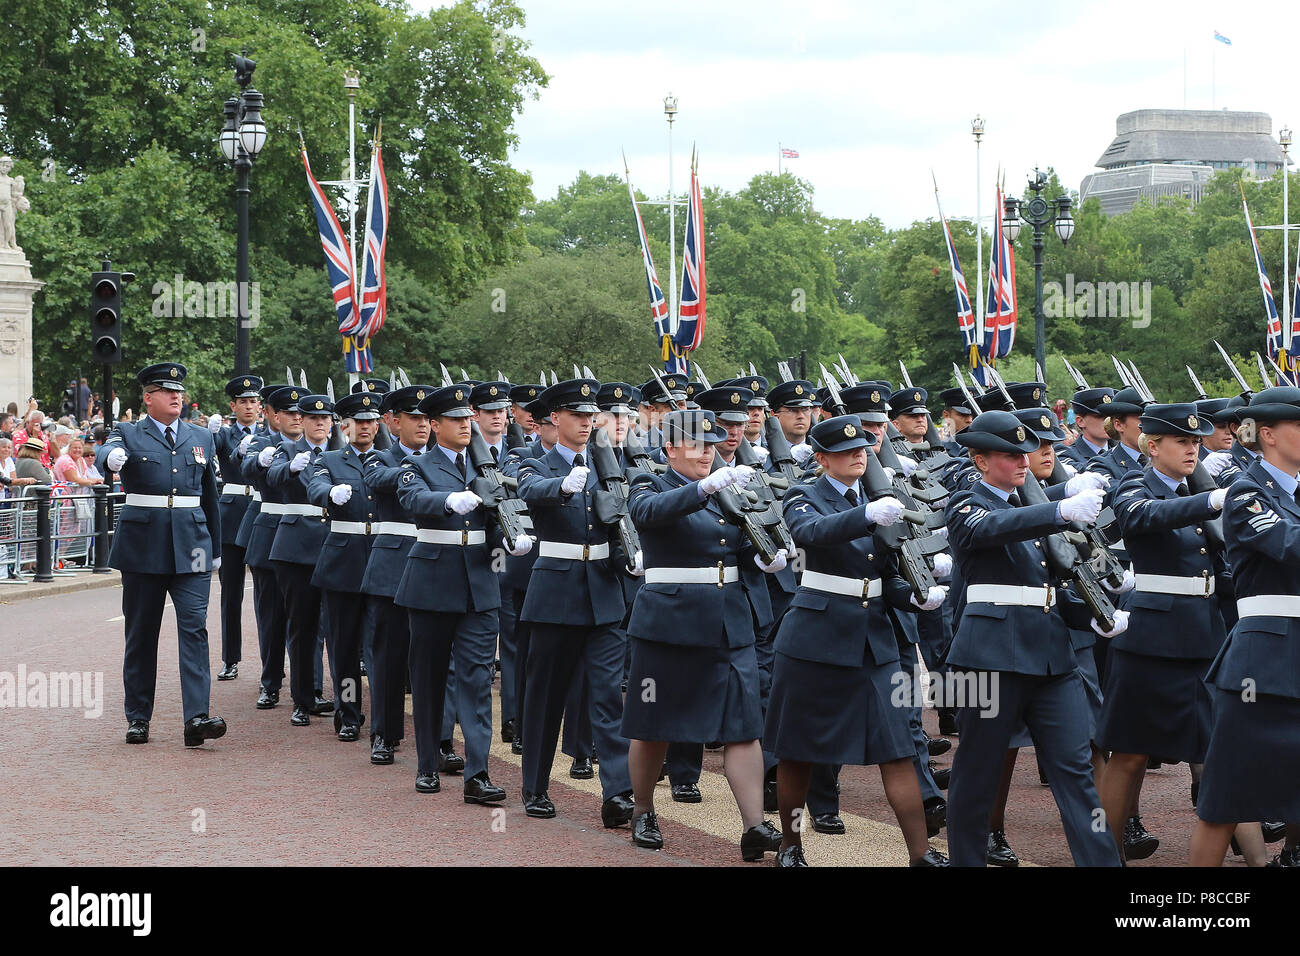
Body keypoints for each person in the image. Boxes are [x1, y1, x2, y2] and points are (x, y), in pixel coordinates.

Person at [943, 410, 1126, 866]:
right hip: (988, 656)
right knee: (976, 772)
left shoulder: (1033, 507)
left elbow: (1051, 588)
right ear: (980, 460)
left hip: (1051, 655)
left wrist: (1095, 618)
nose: (1023, 461)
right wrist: (1058, 509)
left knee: (1076, 770)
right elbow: (988, 529)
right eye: (1010, 454)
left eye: (1024, 452)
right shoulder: (967, 503)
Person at [765, 414, 948, 867]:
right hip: (815, 638)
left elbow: (890, 575)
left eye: (863, 450)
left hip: (873, 640)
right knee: (798, 750)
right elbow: (809, 535)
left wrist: (920, 595)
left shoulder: (882, 498)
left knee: (898, 748)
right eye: (847, 452)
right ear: (822, 458)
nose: (858, 457)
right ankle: (790, 846)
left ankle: (920, 853)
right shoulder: (803, 495)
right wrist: (864, 514)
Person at [621, 408, 784, 860]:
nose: (707, 452)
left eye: (711, 445)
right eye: (696, 444)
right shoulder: (647, 481)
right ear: (670, 447)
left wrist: (766, 557)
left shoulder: (732, 484)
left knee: (742, 727)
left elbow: (746, 539)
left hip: (727, 619)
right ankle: (643, 809)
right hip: (668, 625)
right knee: (654, 726)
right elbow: (646, 514)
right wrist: (702, 489)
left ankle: (754, 824)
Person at [1098, 403, 1227, 863]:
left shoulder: (1198, 485)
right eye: (1182, 442)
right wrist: (1210, 500)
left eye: (1196, 442)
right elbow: (1140, 517)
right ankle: (1103, 854)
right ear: (1152, 446)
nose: (1193, 449)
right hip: (1151, 637)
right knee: (1130, 753)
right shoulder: (1135, 484)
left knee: (1219, 748)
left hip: (1203, 633)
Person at [394, 385, 526, 802]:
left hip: (480, 585)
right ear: (434, 425)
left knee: (476, 681)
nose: (466, 426)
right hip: (432, 584)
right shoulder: (419, 464)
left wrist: (513, 536)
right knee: (430, 679)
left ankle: (478, 773)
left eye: (468, 419)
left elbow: (504, 511)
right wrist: (451, 500)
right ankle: (428, 763)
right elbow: (412, 497)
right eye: (455, 420)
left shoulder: (488, 465)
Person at [515, 377, 634, 825]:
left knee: (607, 695)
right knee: (546, 695)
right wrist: (563, 486)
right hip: (555, 593)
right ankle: (535, 786)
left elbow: (625, 514)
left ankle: (618, 792)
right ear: (555, 419)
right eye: (577, 416)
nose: (587, 423)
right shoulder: (533, 461)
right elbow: (528, 490)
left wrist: (631, 556)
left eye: (591, 416)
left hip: (603, 590)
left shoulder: (611, 464)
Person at [1191, 387, 1300, 866]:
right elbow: (1290, 545)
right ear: (1270, 434)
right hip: (1264, 659)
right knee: (1226, 795)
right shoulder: (1247, 492)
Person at [102, 363, 225, 748]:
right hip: (143, 549)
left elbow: (210, 499)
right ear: (148, 397)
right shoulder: (127, 432)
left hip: (192, 546)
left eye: (179, 391)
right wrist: (111, 459)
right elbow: (106, 449)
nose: (176, 397)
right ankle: (138, 717)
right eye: (166, 390)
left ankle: (196, 718)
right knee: (141, 634)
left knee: (195, 630)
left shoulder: (201, 435)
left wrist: (216, 550)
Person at [360, 384, 433, 763]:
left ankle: (439, 739)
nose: (422, 425)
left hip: (437, 565)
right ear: (393, 421)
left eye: (426, 418)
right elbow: (378, 481)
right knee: (388, 654)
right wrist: (420, 470)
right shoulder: (380, 459)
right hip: (393, 563)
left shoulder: (449, 459)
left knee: (435, 658)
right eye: (413, 418)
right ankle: (385, 733)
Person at [308, 390, 385, 743]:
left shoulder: (389, 460)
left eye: (371, 421)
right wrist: (328, 494)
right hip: (344, 563)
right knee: (344, 646)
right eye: (359, 422)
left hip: (382, 560)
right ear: (345, 425)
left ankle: (384, 720)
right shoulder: (331, 460)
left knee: (381, 646)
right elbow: (315, 485)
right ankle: (349, 712)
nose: (366, 427)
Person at [256, 392, 334, 727]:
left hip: (336, 546)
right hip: (296, 548)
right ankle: (302, 698)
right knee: (302, 626)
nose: (319, 424)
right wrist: (289, 466)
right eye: (312, 418)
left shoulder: (341, 454)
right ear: (301, 421)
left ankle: (332, 696)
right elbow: (270, 478)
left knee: (338, 629)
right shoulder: (285, 450)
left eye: (325, 419)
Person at [211, 376, 263, 681]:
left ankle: (271, 661)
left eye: (252, 401)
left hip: (259, 513)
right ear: (233, 406)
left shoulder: (268, 435)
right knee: (231, 593)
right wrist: (212, 432)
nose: (248, 406)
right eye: (242, 401)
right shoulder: (225, 435)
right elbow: (212, 451)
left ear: (259, 405)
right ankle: (231, 658)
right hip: (232, 516)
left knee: (267, 594)